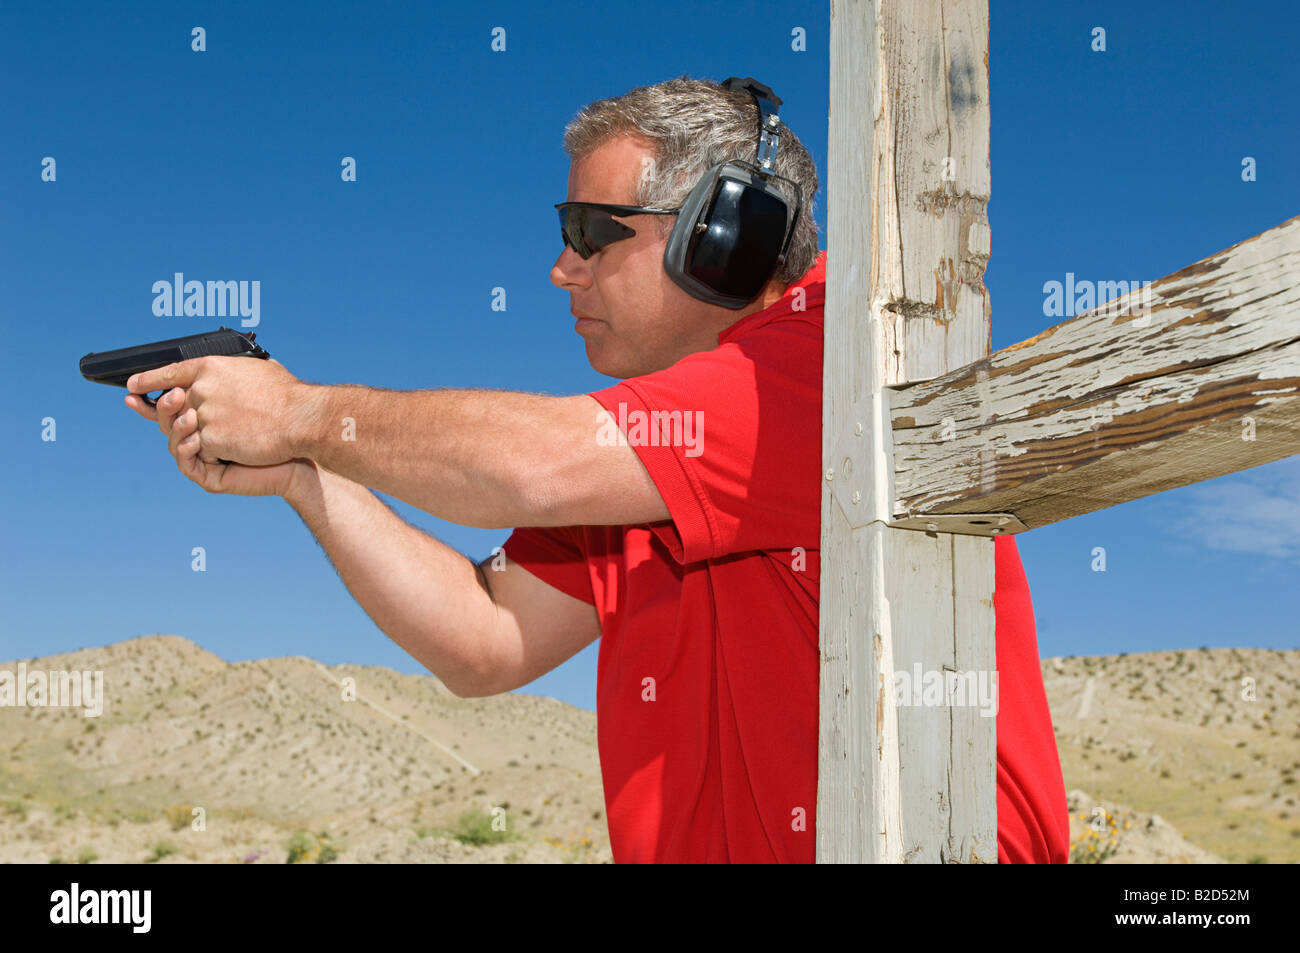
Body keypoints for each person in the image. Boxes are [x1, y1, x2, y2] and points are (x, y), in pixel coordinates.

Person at [126, 75, 1068, 864]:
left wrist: (299, 411)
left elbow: (534, 464)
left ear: (722, 234)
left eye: (590, 231)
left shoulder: (839, 365)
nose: (560, 269)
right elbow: (486, 639)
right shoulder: (644, 463)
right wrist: (304, 472)